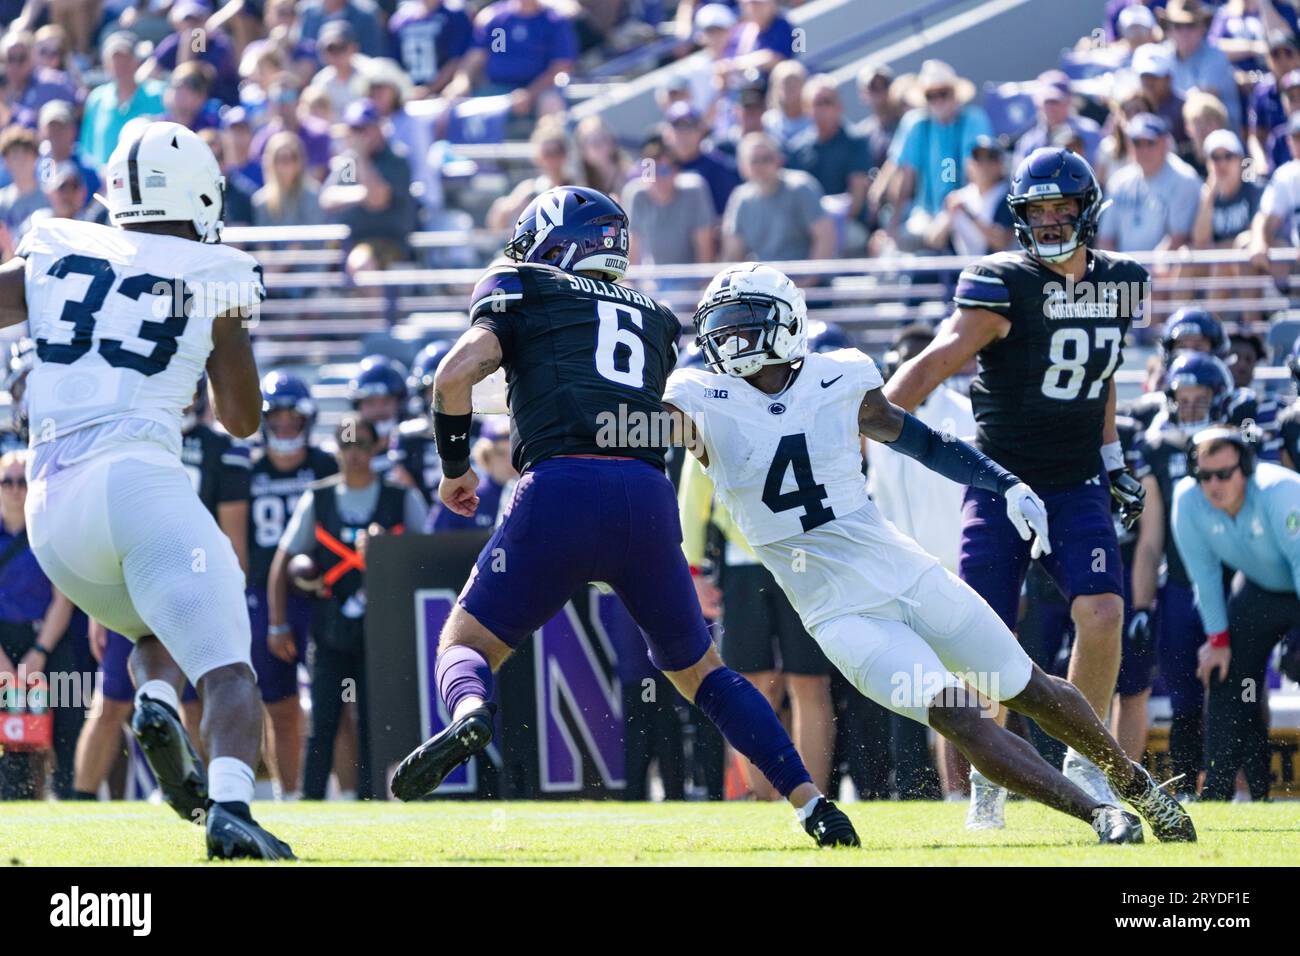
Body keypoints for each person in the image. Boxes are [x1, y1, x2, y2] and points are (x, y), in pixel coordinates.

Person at [390, 185, 860, 847]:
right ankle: (812, 802)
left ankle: (472, 712)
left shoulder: (522, 285)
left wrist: (455, 467)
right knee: (706, 675)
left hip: (557, 486)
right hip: (645, 496)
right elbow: (669, 426)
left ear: (553, 242)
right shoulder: (656, 317)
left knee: (464, 646)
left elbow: (452, 375)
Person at [666, 261, 1194, 844]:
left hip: (906, 570)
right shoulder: (698, 397)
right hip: (839, 614)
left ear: (786, 323)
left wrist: (1002, 481)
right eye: (721, 327)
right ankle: (1099, 814)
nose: (728, 341)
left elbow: (918, 439)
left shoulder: (839, 376)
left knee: (1029, 687)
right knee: (958, 715)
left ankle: (1135, 784)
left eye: (744, 325)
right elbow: (644, 433)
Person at [0, 121, 291, 859]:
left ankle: (157, 702)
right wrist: (221, 333)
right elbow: (243, 419)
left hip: (51, 513)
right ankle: (231, 806)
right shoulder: (216, 266)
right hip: (138, 483)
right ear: (196, 190)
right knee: (228, 665)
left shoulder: (56, 245)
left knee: (152, 630)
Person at [885, 147, 1154, 827]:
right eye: (1039, 209)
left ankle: (1085, 757)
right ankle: (989, 774)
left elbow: (1103, 374)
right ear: (1020, 216)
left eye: (1064, 207)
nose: (1054, 219)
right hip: (1001, 480)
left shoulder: (1120, 281)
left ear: (1088, 211)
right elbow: (939, 358)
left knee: (1104, 613)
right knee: (986, 634)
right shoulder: (1002, 283)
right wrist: (871, 422)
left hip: (1074, 479)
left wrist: (1114, 456)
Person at [74, 380, 252, 801]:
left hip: (160, 585)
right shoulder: (133, 439)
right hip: (158, 587)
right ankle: (82, 802)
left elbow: (234, 539)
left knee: (184, 704)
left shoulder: (210, 450)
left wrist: (102, 603)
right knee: (115, 702)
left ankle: (201, 798)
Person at [268, 415, 425, 801]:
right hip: (331, 626)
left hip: (383, 630)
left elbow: (427, 559)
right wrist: (277, 624)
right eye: (347, 445)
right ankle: (311, 800)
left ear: (376, 448)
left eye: (362, 445)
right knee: (323, 719)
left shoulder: (400, 498)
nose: (354, 454)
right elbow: (283, 563)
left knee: (376, 719)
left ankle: (372, 798)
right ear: (336, 450)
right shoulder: (318, 497)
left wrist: (388, 549)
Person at [1171, 426, 1300, 800]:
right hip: (1260, 590)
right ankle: (1221, 793)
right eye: (1205, 476)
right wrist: (1218, 640)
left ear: (1245, 468)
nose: (1214, 485)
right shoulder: (1187, 501)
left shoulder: (1280, 493)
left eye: (1224, 474)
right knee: (1233, 681)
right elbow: (1205, 576)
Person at [1130, 352, 1236, 797]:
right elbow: (1150, 538)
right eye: (1184, 398)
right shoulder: (1160, 448)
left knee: (1235, 696)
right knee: (1184, 701)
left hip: (1231, 583)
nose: (1191, 407)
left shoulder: (1237, 447)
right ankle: (1189, 789)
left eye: (1201, 398)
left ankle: (1236, 788)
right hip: (1178, 587)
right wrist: (1140, 604)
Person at [248, 372, 336, 799]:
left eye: (291, 417)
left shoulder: (326, 465)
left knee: (337, 703)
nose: (283, 426)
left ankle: (345, 792)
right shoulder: (244, 468)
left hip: (322, 596)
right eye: (276, 417)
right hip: (266, 599)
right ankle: (291, 795)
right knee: (279, 706)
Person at [0, 449, 74, 799]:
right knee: (8, 736)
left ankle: (70, 799)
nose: (16, 490)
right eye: (8, 482)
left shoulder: (49, 531)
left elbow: (64, 596)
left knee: (69, 720)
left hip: (48, 637)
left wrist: (41, 651)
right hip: (3, 640)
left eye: (23, 482)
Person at [320, 98, 418, 276]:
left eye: (363, 129)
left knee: (360, 264)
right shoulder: (350, 162)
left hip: (385, 241)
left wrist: (362, 158)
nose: (358, 136)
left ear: (378, 128)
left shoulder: (395, 159)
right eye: (353, 129)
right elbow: (327, 198)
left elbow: (377, 199)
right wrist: (360, 194)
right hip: (347, 239)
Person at [1096, 113, 1202, 254]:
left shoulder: (1184, 179)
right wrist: (1114, 269)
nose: (1143, 150)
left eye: (1150, 143)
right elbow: (1106, 239)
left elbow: (1178, 238)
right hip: (1123, 270)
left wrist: (1147, 271)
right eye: (1137, 143)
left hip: (1164, 269)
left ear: (1165, 143)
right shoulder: (1118, 181)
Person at [722, 131, 835, 263]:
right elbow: (733, 252)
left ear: (779, 160)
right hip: (763, 279)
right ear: (743, 167)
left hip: (802, 277)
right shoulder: (740, 198)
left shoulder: (801, 188)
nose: (761, 166)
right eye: (754, 161)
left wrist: (809, 279)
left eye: (767, 159)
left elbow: (825, 238)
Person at [622, 135, 716, 272]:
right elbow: (633, 253)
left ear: (676, 171)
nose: (657, 178)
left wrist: (703, 284)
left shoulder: (694, 192)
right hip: (651, 281)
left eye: (663, 171)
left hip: (690, 280)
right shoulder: (636, 195)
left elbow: (704, 251)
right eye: (650, 172)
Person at [79, 32, 165, 170]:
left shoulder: (158, 94)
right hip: (107, 183)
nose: (120, 65)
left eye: (126, 58)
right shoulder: (97, 99)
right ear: (106, 64)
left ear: (136, 61)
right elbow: (87, 149)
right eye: (115, 60)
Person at [1165, 0, 1243, 132]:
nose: (1184, 32)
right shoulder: (1166, 54)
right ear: (1170, 29)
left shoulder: (1215, 56)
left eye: (1190, 25)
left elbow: (1201, 101)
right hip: (1183, 135)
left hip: (1221, 141)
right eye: (1178, 25)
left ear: (1202, 27)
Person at [390, 340, 452, 505]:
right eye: (434, 389)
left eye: (452, 387)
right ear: (420, 393)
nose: (442, 397)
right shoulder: (409, 436)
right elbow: (405, 493)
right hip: (424, 527)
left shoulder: (483, 430)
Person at [387, 0, 473, 95]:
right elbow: (394, 64)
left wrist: (430, 89)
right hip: (409, 95)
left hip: (445, 94)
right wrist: (408, 91)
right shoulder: (400, 20)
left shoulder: (455, 15)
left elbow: (458, 59)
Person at [253, 130, 324, 227]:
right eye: (281, 158)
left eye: (293, 157)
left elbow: (316, 237)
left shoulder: (314, 195)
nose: (287, 164)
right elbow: (262, 241)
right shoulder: (260, 201)